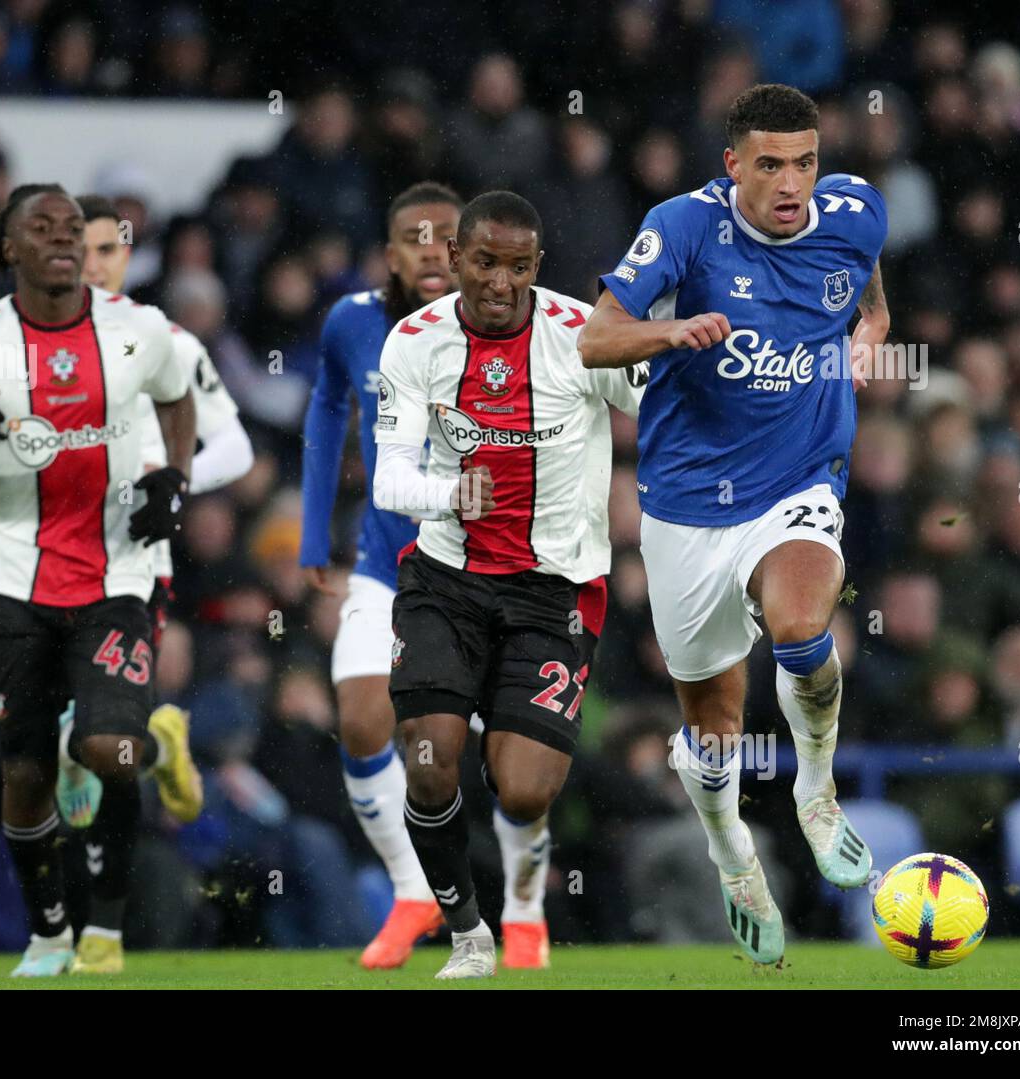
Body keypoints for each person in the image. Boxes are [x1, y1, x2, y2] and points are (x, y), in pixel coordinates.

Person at [579, 83, 890, 964]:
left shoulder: (857, 210)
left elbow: (871, 290)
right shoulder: (684, 226)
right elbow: (597, 340)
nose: (791, 183)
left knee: (800, 624)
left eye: (805, 162)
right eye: (770, 165)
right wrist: (668, 336)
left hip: (799, 478)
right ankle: (732, 855)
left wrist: (869, 333)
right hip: (685, 505)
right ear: (733, 166)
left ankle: (818, 794)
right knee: (713, 730)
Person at [0, 184, 199, 977]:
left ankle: (105, 932)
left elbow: (179, 398)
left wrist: (174, 477)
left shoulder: (137, 330)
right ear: (9, 249)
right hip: (11, 576)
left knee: (105, 746)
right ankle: (47, 932)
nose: (65, 240)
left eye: (74, 228)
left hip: (116, 573)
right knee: (28, 770)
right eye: (43, 228)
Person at [371, 191, 645, 978]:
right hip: (445, 580)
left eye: (517, 266)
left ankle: (508, 732)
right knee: (428, 761)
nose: (500, 281)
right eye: (484, 262)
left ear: (537, 268)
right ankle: (468, 934)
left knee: (523, 793)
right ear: (455, 257)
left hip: (552, 590)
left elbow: (661, 405)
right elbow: (391, 475)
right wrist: (444, 495)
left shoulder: (582, 335)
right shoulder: (414, 342)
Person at [304, 181, 565, 970]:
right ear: (391, 253)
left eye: (442, 234)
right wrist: (316, 530)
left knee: (511, 764)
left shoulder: (526, 332)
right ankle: (413, 889)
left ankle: (524, 909)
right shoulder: (355, 323)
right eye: (411, 235)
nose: (427, 246)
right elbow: (324, 407)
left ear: (467, 252)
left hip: (505, 574)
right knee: (360, 721)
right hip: (393, 565)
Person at [0, 193, 254, 832]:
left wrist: (175, 479)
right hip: (32, 552)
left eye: (107, 250)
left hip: (131, 561)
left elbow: (237, 446)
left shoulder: (166, 341)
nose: (91, 264)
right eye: (77, 250)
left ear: (128, 256)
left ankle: (106, 751)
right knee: (47, 727)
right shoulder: (14, 340)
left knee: (101, 735)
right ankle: (130, 748)